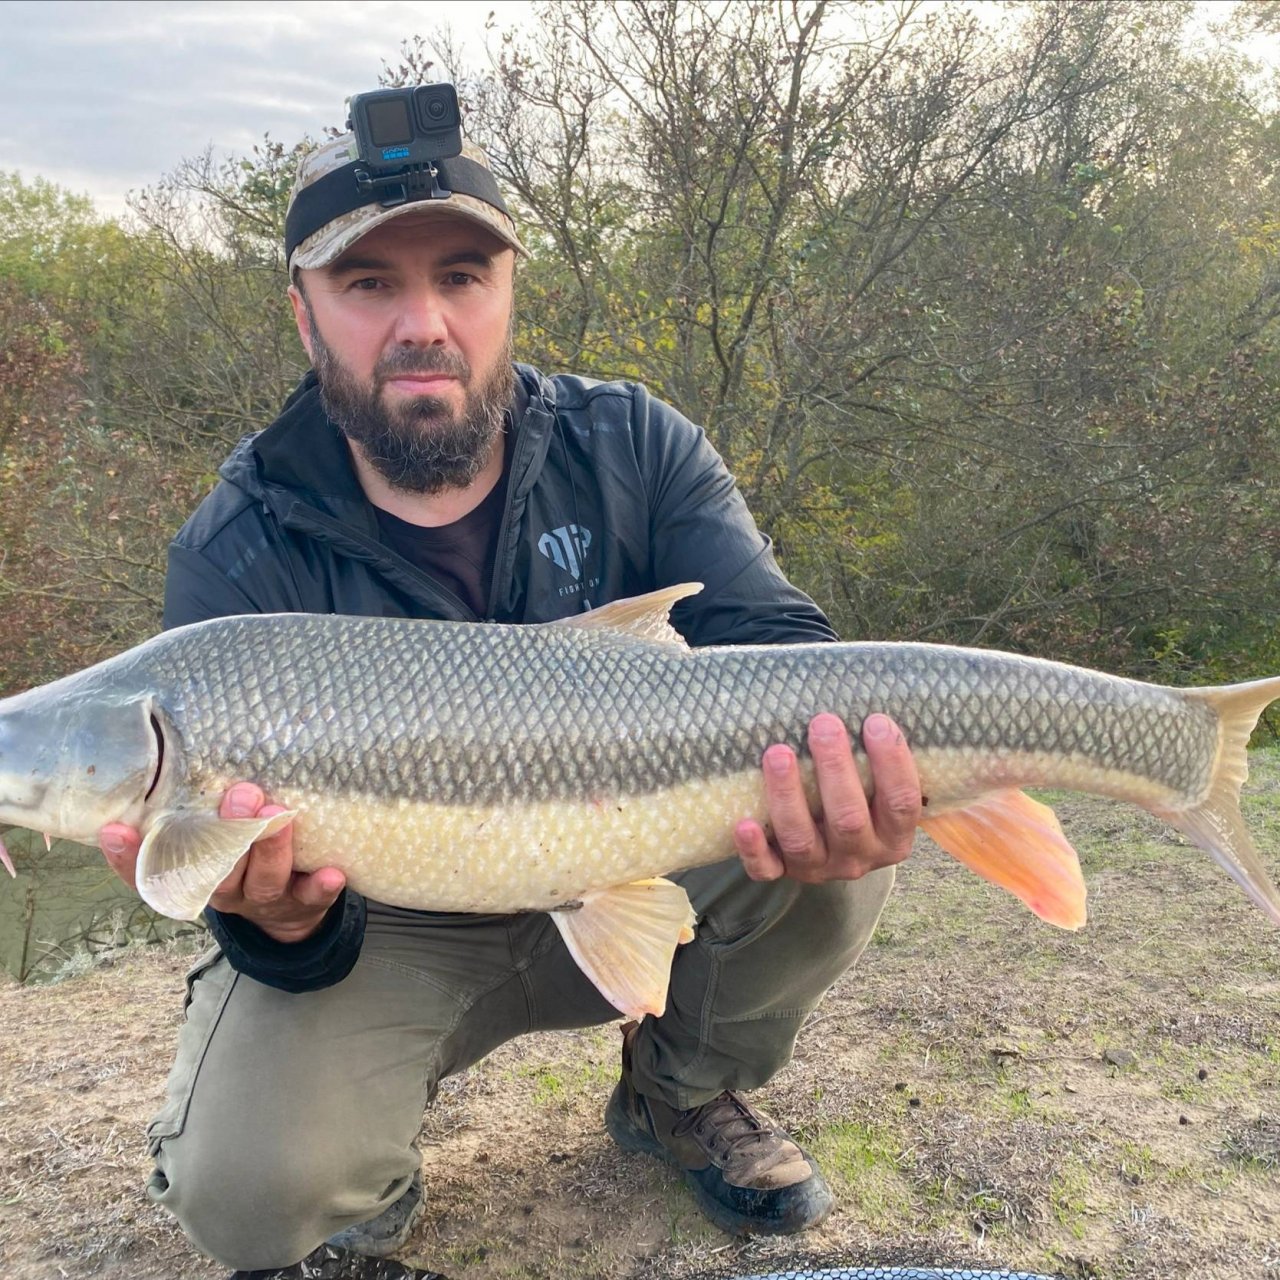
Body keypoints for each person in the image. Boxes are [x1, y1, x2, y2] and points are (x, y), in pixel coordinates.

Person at [97, 105, 922, 1280]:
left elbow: (780, 644)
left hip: (627, 851)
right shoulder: (237, 544)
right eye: (370, 282)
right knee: (248, 1194)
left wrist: (839, 792)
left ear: (508, 290)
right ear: (302, 309)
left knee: (838, 786)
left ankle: (675, 1091)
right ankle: (353, 1160)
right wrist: (269, 914)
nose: (422, 323)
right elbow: (246, 902)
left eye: (462, 276)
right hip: (387, 916)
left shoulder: (636, 441)